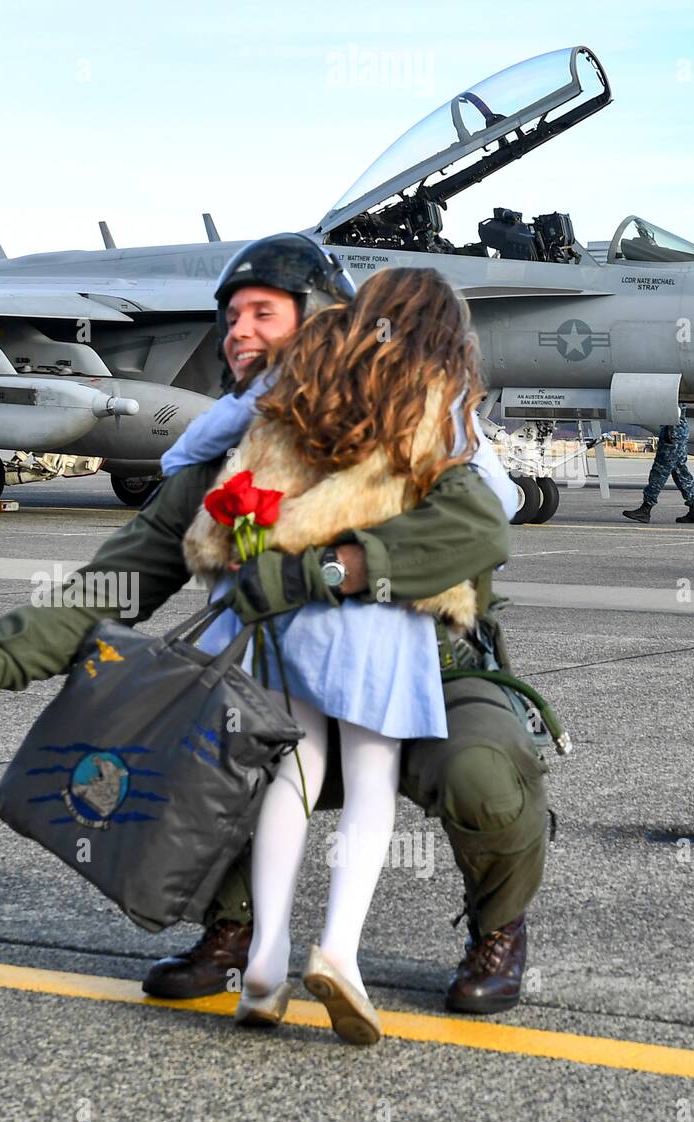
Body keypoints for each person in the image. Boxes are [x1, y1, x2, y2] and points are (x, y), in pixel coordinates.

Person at [0, 234, 548, 1017]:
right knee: (197, 742)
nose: (236, 331)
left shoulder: (404, 414)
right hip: (283, 675)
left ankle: (499, 929)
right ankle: (238, 928)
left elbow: (472, 529)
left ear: (327, 319)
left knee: (484, 776)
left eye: (262, 312)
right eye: (229, 316)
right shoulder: (228, 450)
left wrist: (330, 571)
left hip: (430, 667)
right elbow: (108, 584)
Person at [186, 267, 486, 1044]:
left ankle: (266, 951)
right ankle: (340, 951)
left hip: (290, 601)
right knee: (373, 777)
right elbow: (487, 497)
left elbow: (207, 442)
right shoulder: (438, 385)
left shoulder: (311, 363)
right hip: (379, 607)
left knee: (295, 766)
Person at [623, 405, 694, 523]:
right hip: (678, 430)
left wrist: (669, 431)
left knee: (659, 471)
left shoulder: (672, 391)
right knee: (680, 472)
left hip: (672, 431)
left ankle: (646, 508)